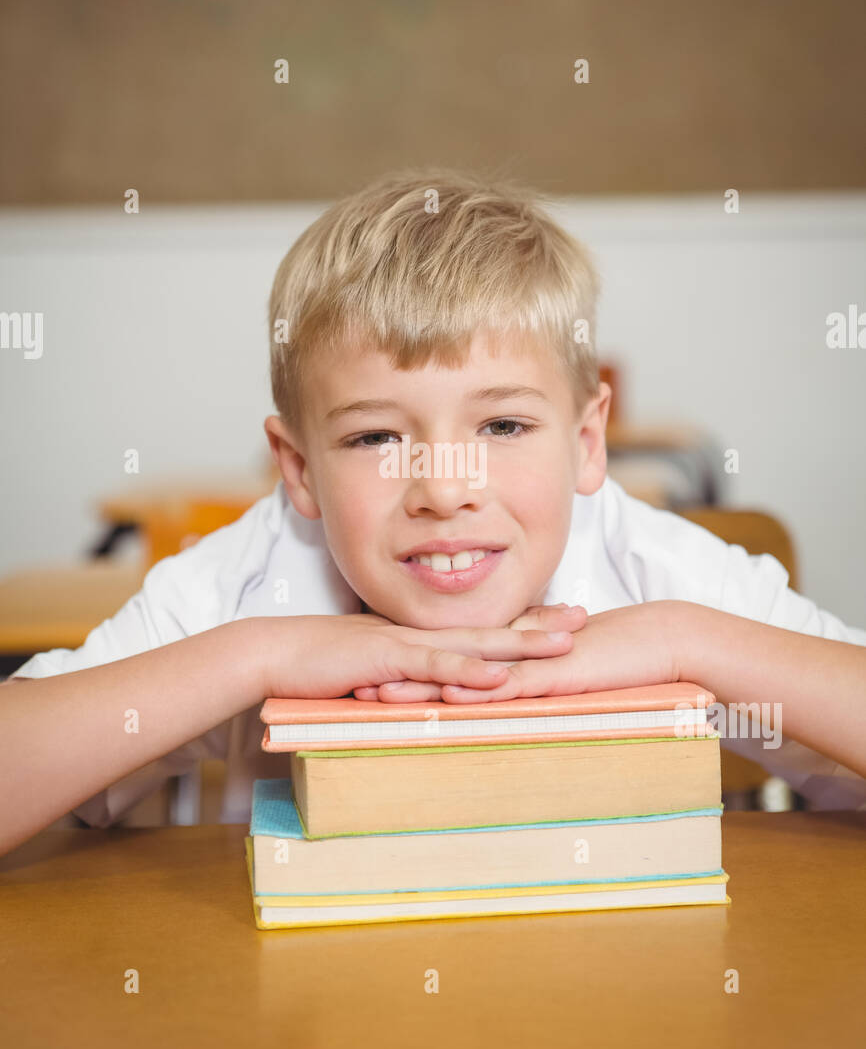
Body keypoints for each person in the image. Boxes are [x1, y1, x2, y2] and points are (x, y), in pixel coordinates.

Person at [2, 167, 865, 856]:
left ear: (587, 440)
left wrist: (693, 643)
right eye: (377, 438)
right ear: (298, 469)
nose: (445, 489)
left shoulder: (654, 568)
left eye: (502, 425)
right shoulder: (253, 577)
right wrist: (255, 657)